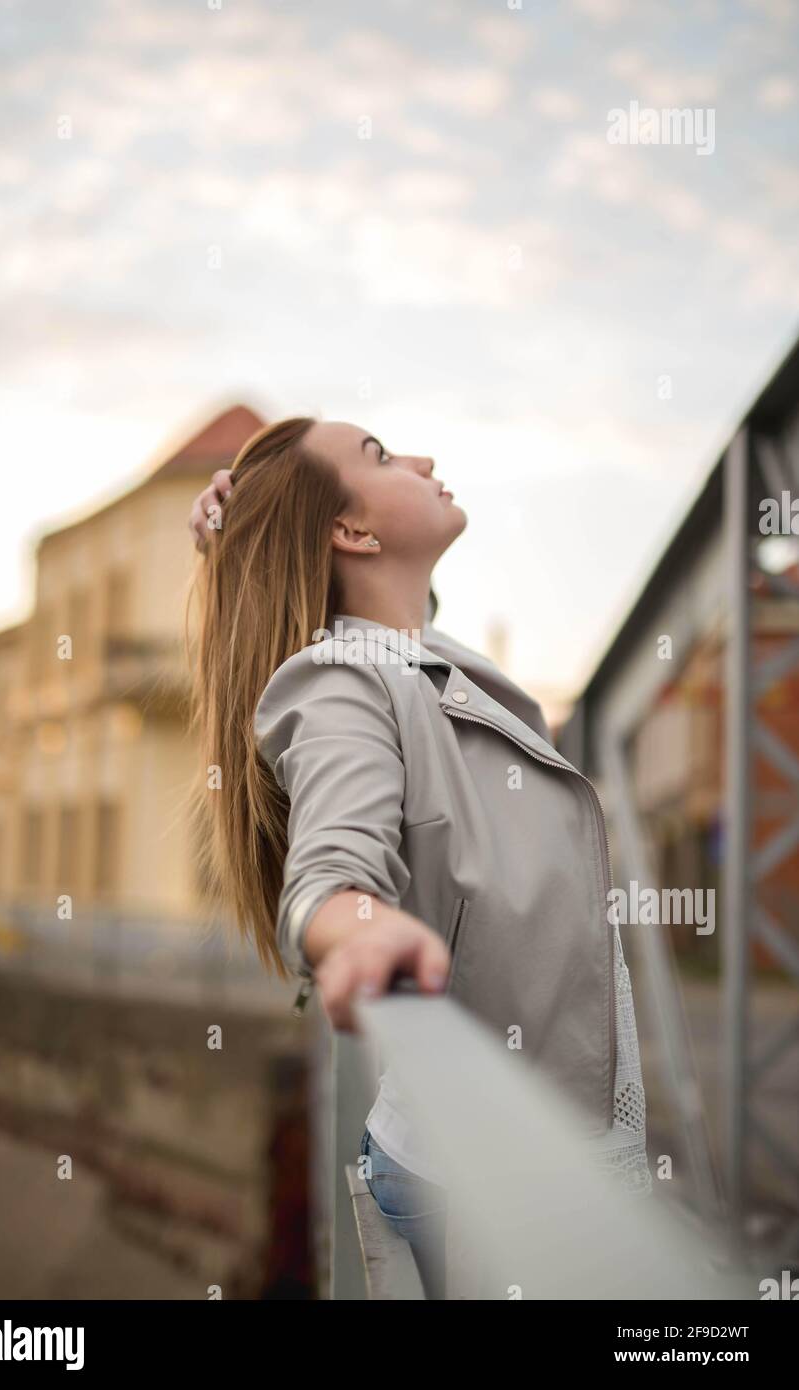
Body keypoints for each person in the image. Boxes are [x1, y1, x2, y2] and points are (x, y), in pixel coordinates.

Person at [188, 417, 652, 1300]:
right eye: (380, 455)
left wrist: (232, 544)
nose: (424, 460)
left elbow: (388, 620)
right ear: (352, 531)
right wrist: (350, 921)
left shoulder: (416, 659)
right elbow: (331, 864)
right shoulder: (337, 682)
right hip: (484, 1181)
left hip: (504, 1152)